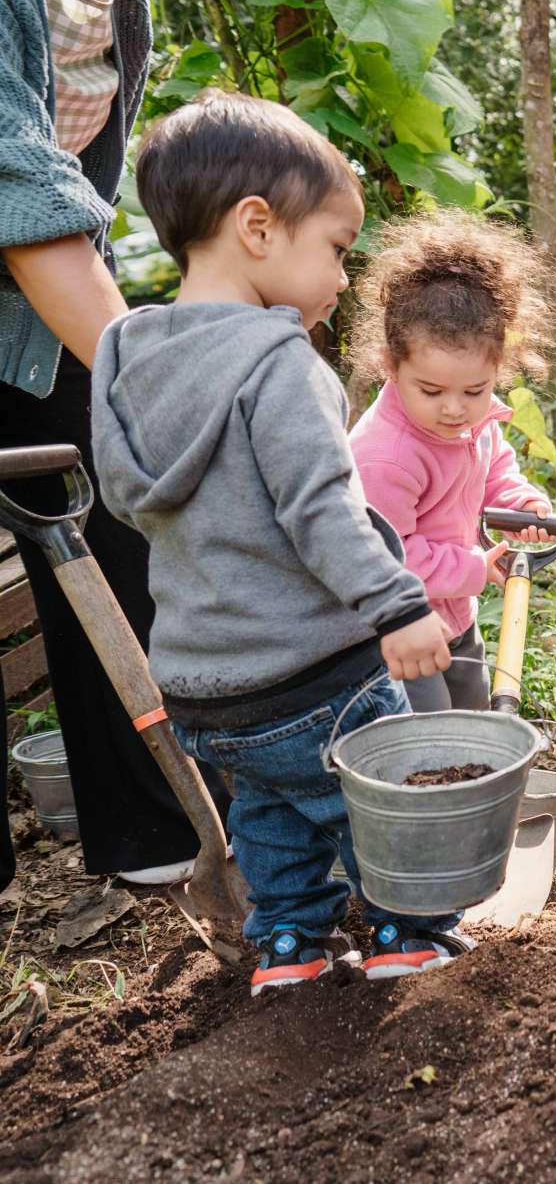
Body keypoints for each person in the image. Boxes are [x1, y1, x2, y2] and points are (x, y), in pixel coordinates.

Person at [90, 92, 464, 994]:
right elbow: (322, 507)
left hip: (200, 689)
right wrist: (398, 606)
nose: (343, 276)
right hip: (315, 673)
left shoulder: (122, 352)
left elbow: (126, 503)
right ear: (257, 226)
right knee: (375, 803)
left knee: (268, 812)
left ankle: (289, 947)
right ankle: (404, 932)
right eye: (335, 247)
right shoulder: (278, 360)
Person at [0, 0, 230, 887]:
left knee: (115, 500)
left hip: (28, 293)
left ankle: (160, 835)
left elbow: (77, 169)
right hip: (27, 256)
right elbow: (25, 192)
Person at [348, 212, 556, 712]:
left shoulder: (471, 423)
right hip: (399, 633)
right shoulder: (386, 456)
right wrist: (473, 568)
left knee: (474, 723)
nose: (454, 409)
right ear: (390, 364)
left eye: (475, 390)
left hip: (455, 616)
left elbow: (495, 466)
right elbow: (386, 556)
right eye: (432, 390)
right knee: (433, 744)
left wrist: (519, 500)